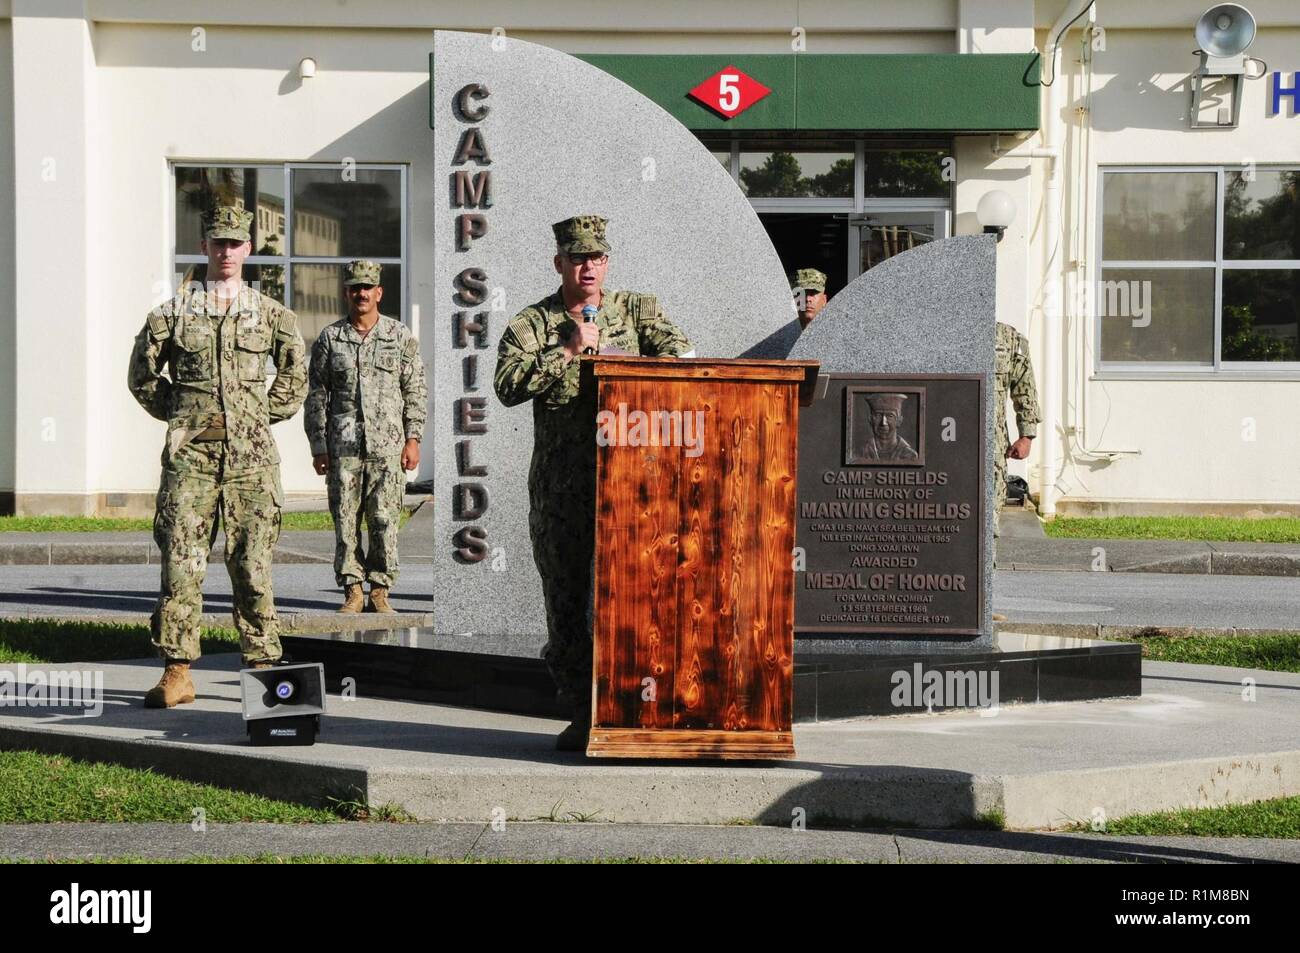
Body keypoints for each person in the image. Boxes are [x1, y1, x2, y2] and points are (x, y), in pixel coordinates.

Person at [494, 214, 692, 751]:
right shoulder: (533, 324)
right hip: (563, 494)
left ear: (607, 263)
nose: (587, 266)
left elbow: (684, 361)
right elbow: (507, 387)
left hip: (634, 494)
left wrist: (628, 367)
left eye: (596, 257)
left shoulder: (639, 311)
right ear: (559, 262)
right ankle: (583, 714)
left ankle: (635, 709)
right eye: (577, 257)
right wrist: (568, 349)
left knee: (635, 603)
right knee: (567, 607)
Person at [128, 205, 307, 708]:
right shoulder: (171, 314)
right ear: (204, 247)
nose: (226, 251)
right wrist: (186, 421)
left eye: (235, 243)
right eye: (217, 242)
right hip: (192, 465)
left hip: (252, 465)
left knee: (252, 564)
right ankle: (177, 670)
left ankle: (263, 669)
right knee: (181, 564)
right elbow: (141, 378)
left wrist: (251, 421)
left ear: (248, 248)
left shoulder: (272, 315)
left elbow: (295, 381)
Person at [304, 260, 427, 613]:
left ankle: (380, 589)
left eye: (367, 287)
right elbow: (317, 395)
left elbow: (415, 389)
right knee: (345, 519)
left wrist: (413, 438)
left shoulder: (399, 336)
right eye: (355, 287)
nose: (361, 293)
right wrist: (318, 445)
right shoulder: (331, 338)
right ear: (346, 292)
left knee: (384, 520)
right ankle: (353, 589)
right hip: (344, 447)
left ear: (379, 292)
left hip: (388, 446)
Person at [994, 321, 1041, 537]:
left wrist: (1026, 435)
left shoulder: (1007, 337)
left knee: (988, 524)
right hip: (942, 445)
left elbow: (1025, 388)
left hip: (992, 448)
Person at [861, 392, 918, 462]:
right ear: (870, 419)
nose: (883, 423)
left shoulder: (910, 456)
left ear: (899, 421)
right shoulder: (861, 452)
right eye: (878, 415)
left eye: (890, 416)